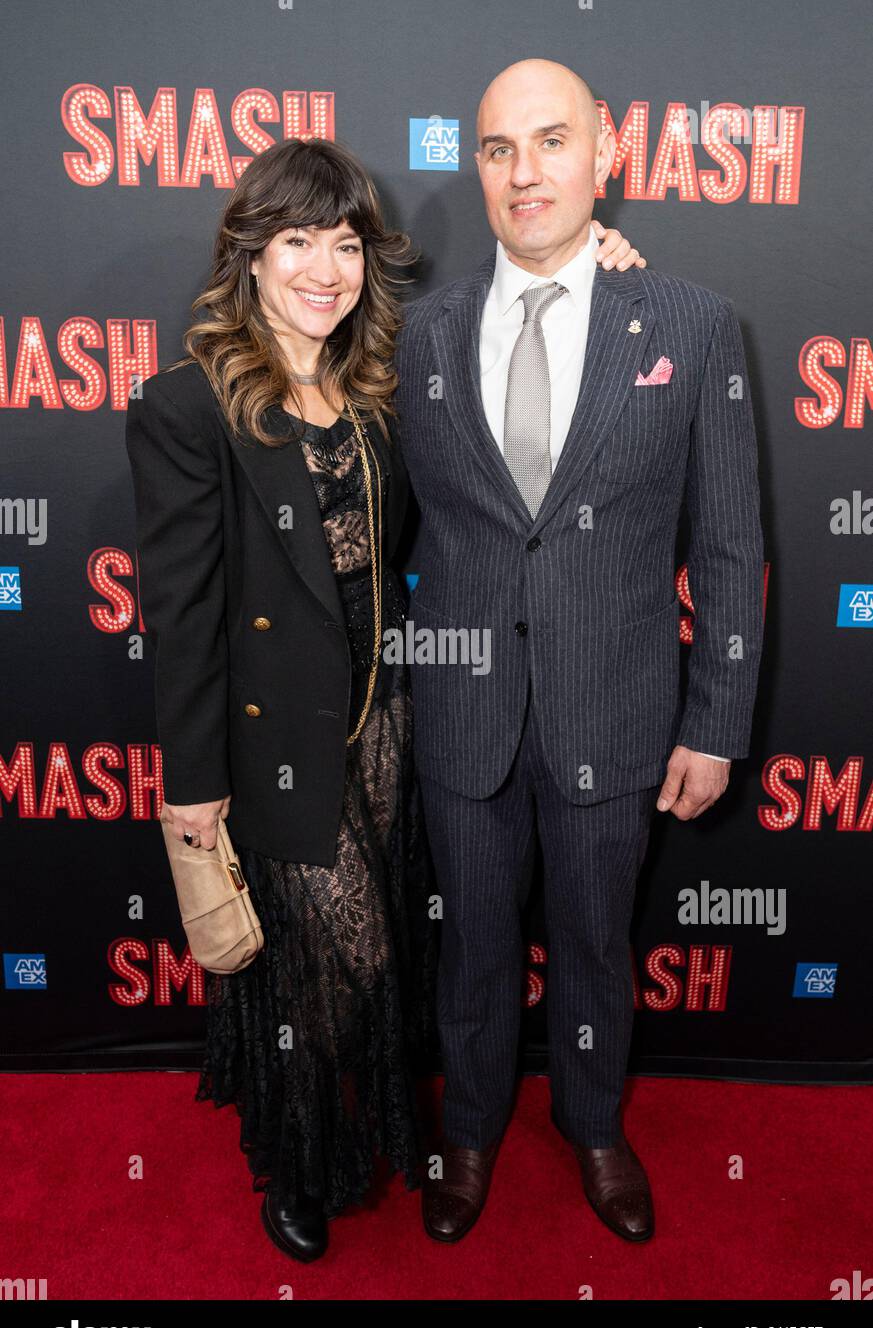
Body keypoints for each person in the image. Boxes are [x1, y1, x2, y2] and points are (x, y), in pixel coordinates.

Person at [125, 134, 645, 1262]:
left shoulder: (383, 384)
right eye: (296, 240)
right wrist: (195, 791)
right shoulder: (189, 405)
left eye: (345, 240)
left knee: (376, 961)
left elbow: (515, 339)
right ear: (250, 255)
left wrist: (587, 262)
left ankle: (354, 1139)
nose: (325, 265)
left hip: (389, 724)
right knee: (329, 966)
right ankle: (298, 1167)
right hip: (277, 747)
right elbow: (179, 622)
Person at [394, 60, 765, 1245]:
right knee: (474, 943)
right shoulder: (417, 335)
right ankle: (471, 1126)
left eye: (551, 142)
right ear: (480, 167)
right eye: (499, 149)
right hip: (463, 713)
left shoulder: (695, 325)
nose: (525, 170)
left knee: (603, 939)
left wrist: (716, 721)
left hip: (619, 707)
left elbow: (730, 541)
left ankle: (594, 1123)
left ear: (603, 155)